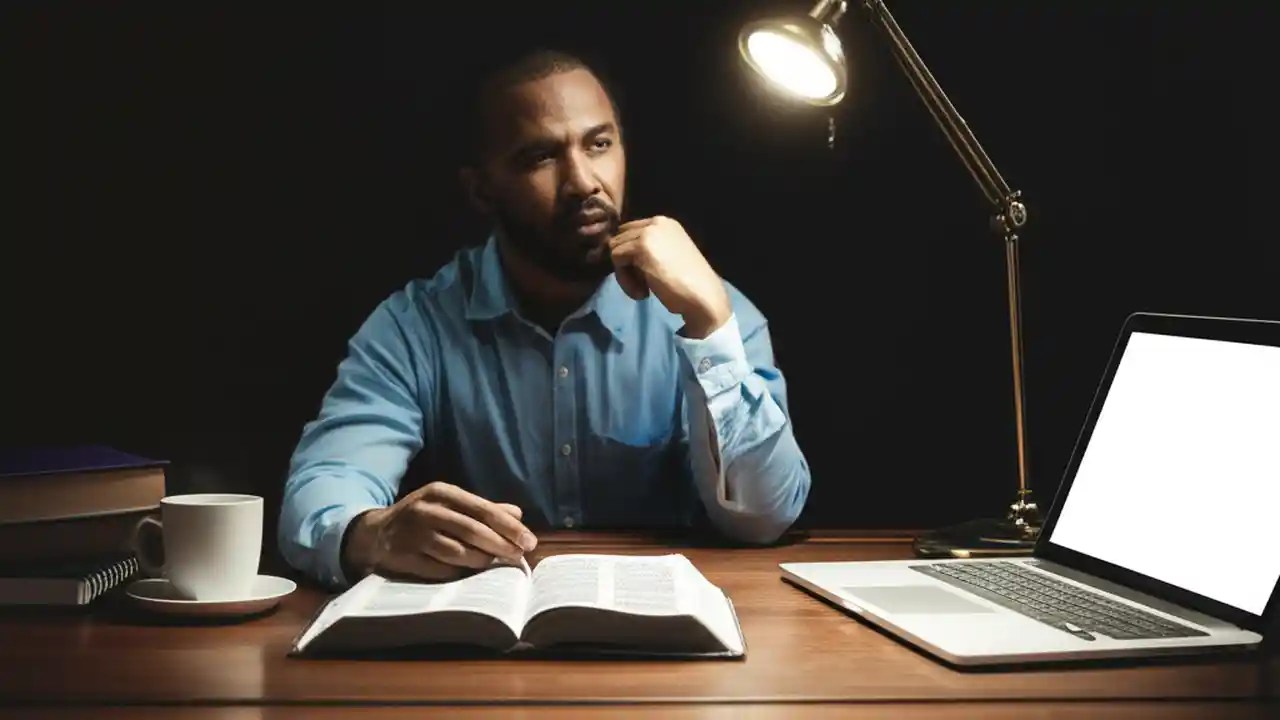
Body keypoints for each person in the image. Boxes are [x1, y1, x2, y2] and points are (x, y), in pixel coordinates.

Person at [278, 49, 811, 588]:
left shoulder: (714, 311)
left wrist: (710, 325)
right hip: (485, 650)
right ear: (481, 189)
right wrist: (374, 534)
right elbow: (323, 489)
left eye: (599, 144)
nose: (583, 182)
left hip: (668, 639)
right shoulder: (415, 325)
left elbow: (764, 516)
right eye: (540, 157)